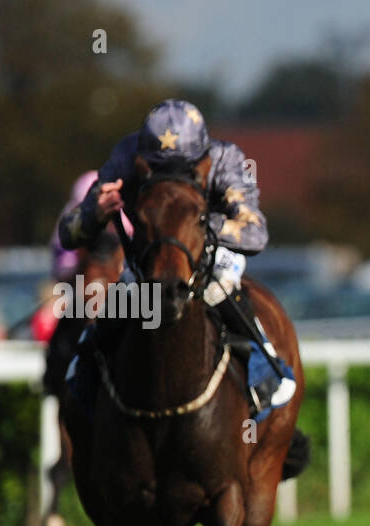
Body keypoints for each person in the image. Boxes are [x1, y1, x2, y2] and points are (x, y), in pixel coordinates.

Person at [58, 98, 293, 407]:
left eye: (181, 171)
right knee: (117, 305)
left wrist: (194, 223)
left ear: (201, 161)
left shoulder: (226, 159)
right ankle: (87, 374)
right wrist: (95, 213)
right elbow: (68, 233)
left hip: (211, 254)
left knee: (220, 290)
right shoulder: (126, 156)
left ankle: (265, 367)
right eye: (155, 170)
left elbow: (255, 233)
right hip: (149, 260)